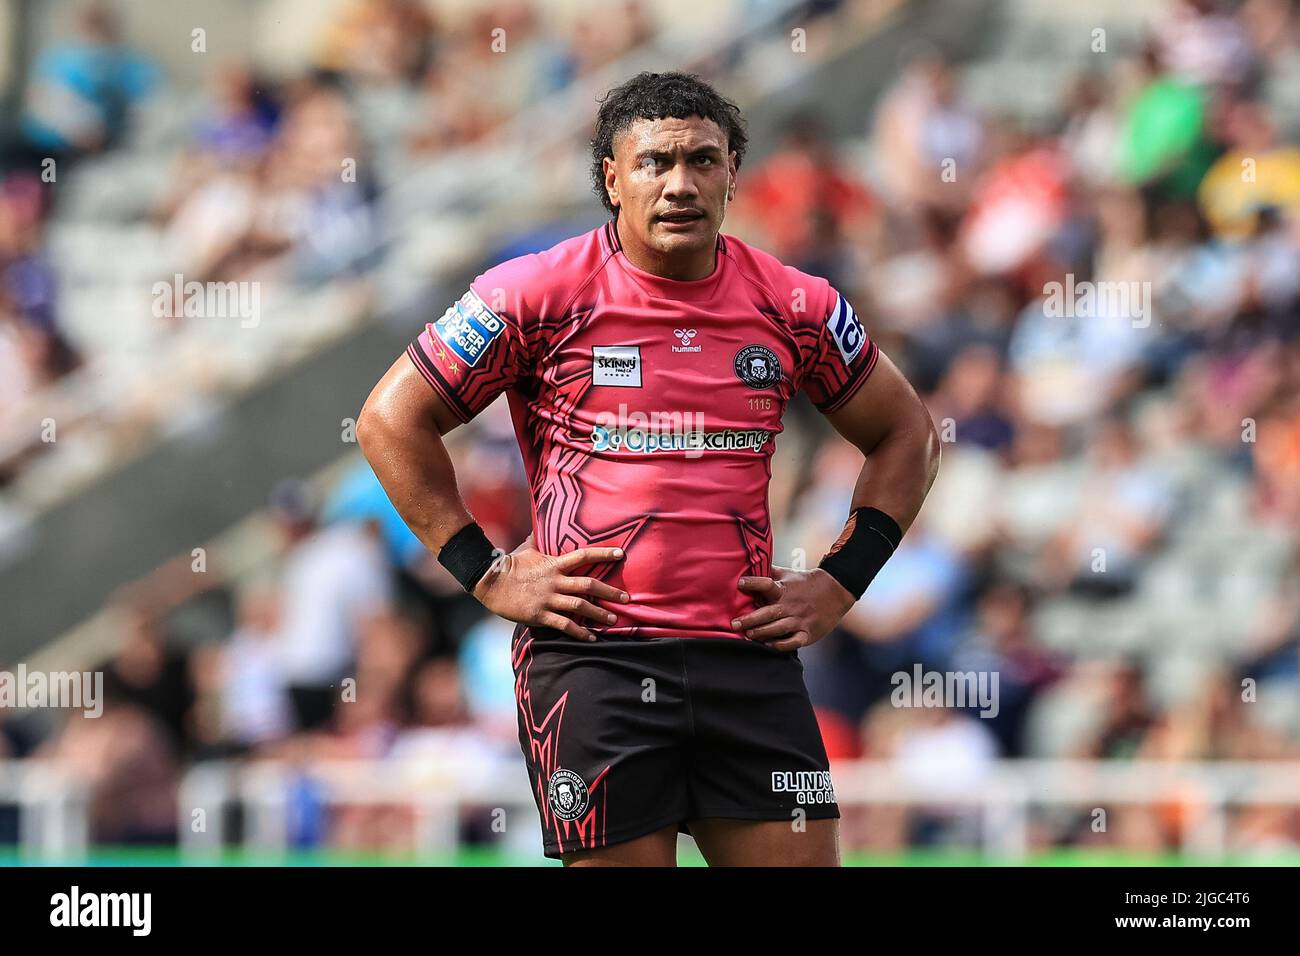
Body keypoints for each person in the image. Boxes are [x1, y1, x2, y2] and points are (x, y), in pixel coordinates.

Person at [357, 72, 940, 866]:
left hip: (750, 660)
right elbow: (390, 421)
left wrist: (841, 582)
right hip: (595, 659)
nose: (680, 183)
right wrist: (486, 572)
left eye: (703, 160)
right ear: (612, 178)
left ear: (734, 170)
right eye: (654, 162)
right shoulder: (533, 294)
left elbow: (909, 432)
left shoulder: (797, 304)